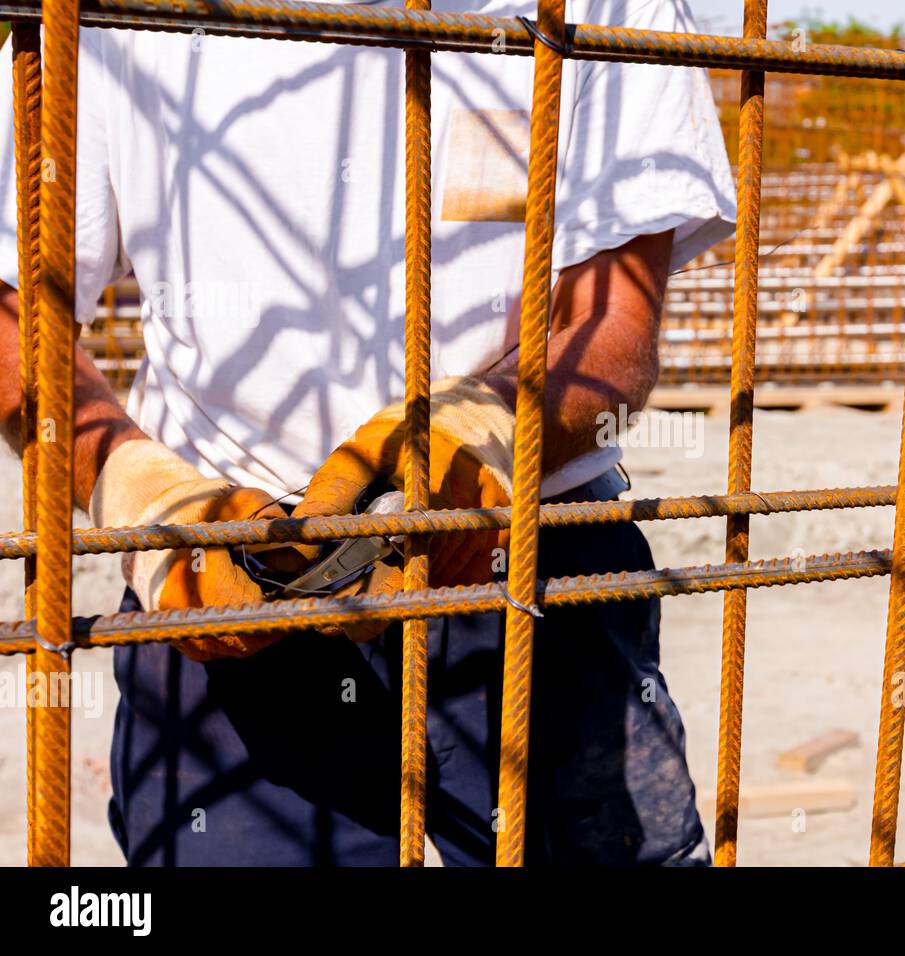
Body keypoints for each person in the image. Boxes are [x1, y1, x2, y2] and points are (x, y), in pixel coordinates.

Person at [0, 0, 736, 865]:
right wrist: (145, 495)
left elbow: (612, 330)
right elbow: (15, 309)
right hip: (223, 595)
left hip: (530, 571)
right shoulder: (118, 12)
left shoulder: (602, 7)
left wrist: (480, 436)